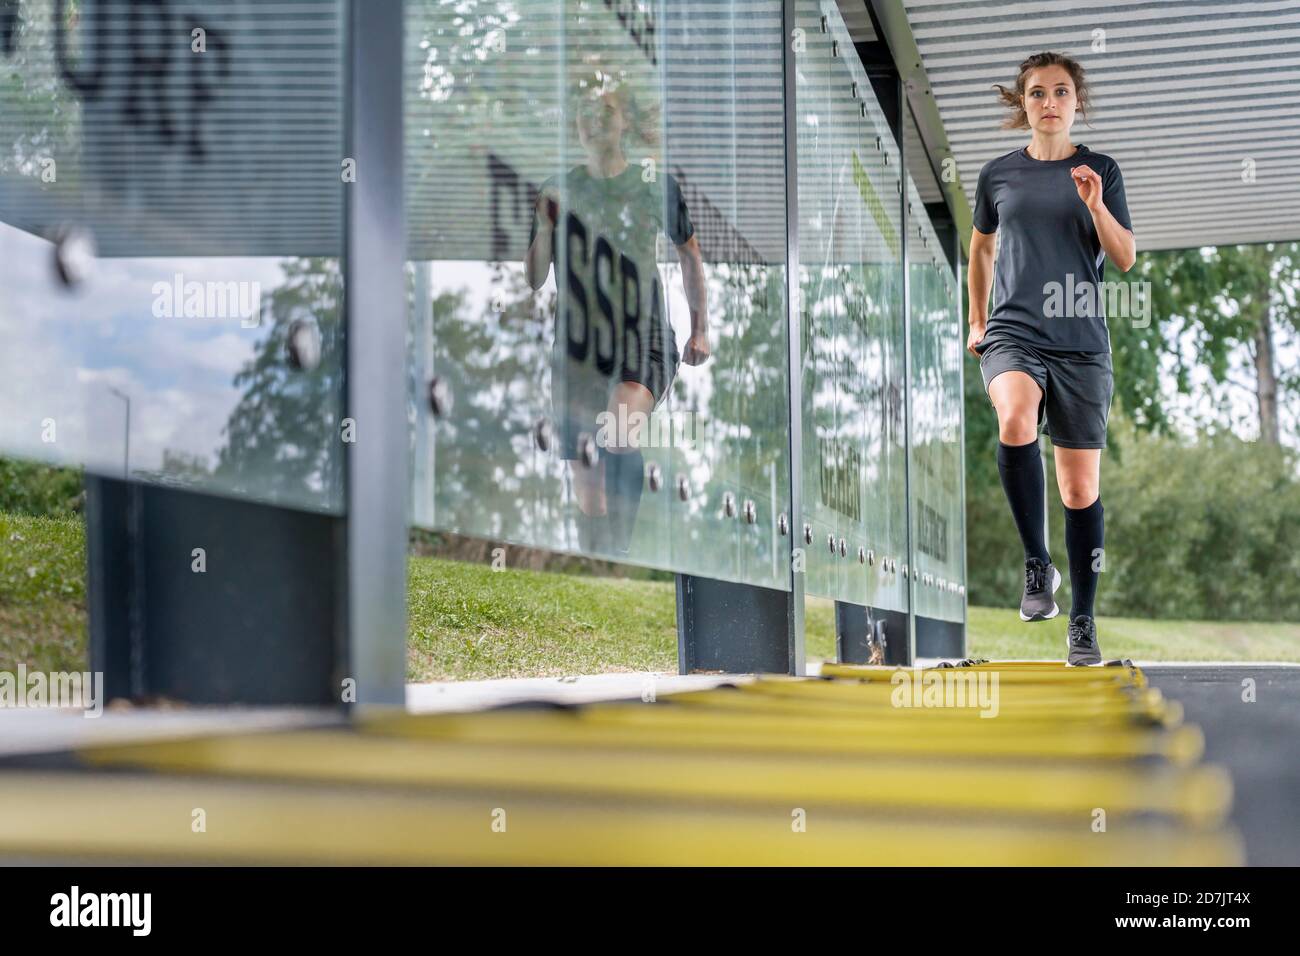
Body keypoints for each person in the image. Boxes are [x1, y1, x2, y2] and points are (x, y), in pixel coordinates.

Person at [966, 52, 1136, 666]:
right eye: (1036, 93)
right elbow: (981, 249)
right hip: (1014, 332)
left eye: (1061, 91)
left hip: (1082, 346)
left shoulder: (1101, 169)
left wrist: (1095, 205)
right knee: (1014, 418)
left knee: (1078, 487)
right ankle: (1037, 565)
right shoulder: (997, 176)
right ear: (1024, 105)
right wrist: (977, 321)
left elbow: (1125, 259)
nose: (1049, 102)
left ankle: (1083, 619)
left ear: (1076, 102)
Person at [525, 73, 709, 556]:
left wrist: (699, 330)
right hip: (578, 343)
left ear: (624, 121)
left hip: (641, 335)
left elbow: (689, 255)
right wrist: (544, 228)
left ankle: (622, 557)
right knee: (587, 472)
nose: (593, 120)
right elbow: (534, 277)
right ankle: (600, 565)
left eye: (605, 111)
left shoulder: (653, 184)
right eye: (585, 114)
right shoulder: (558, 187)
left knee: (620, 426)